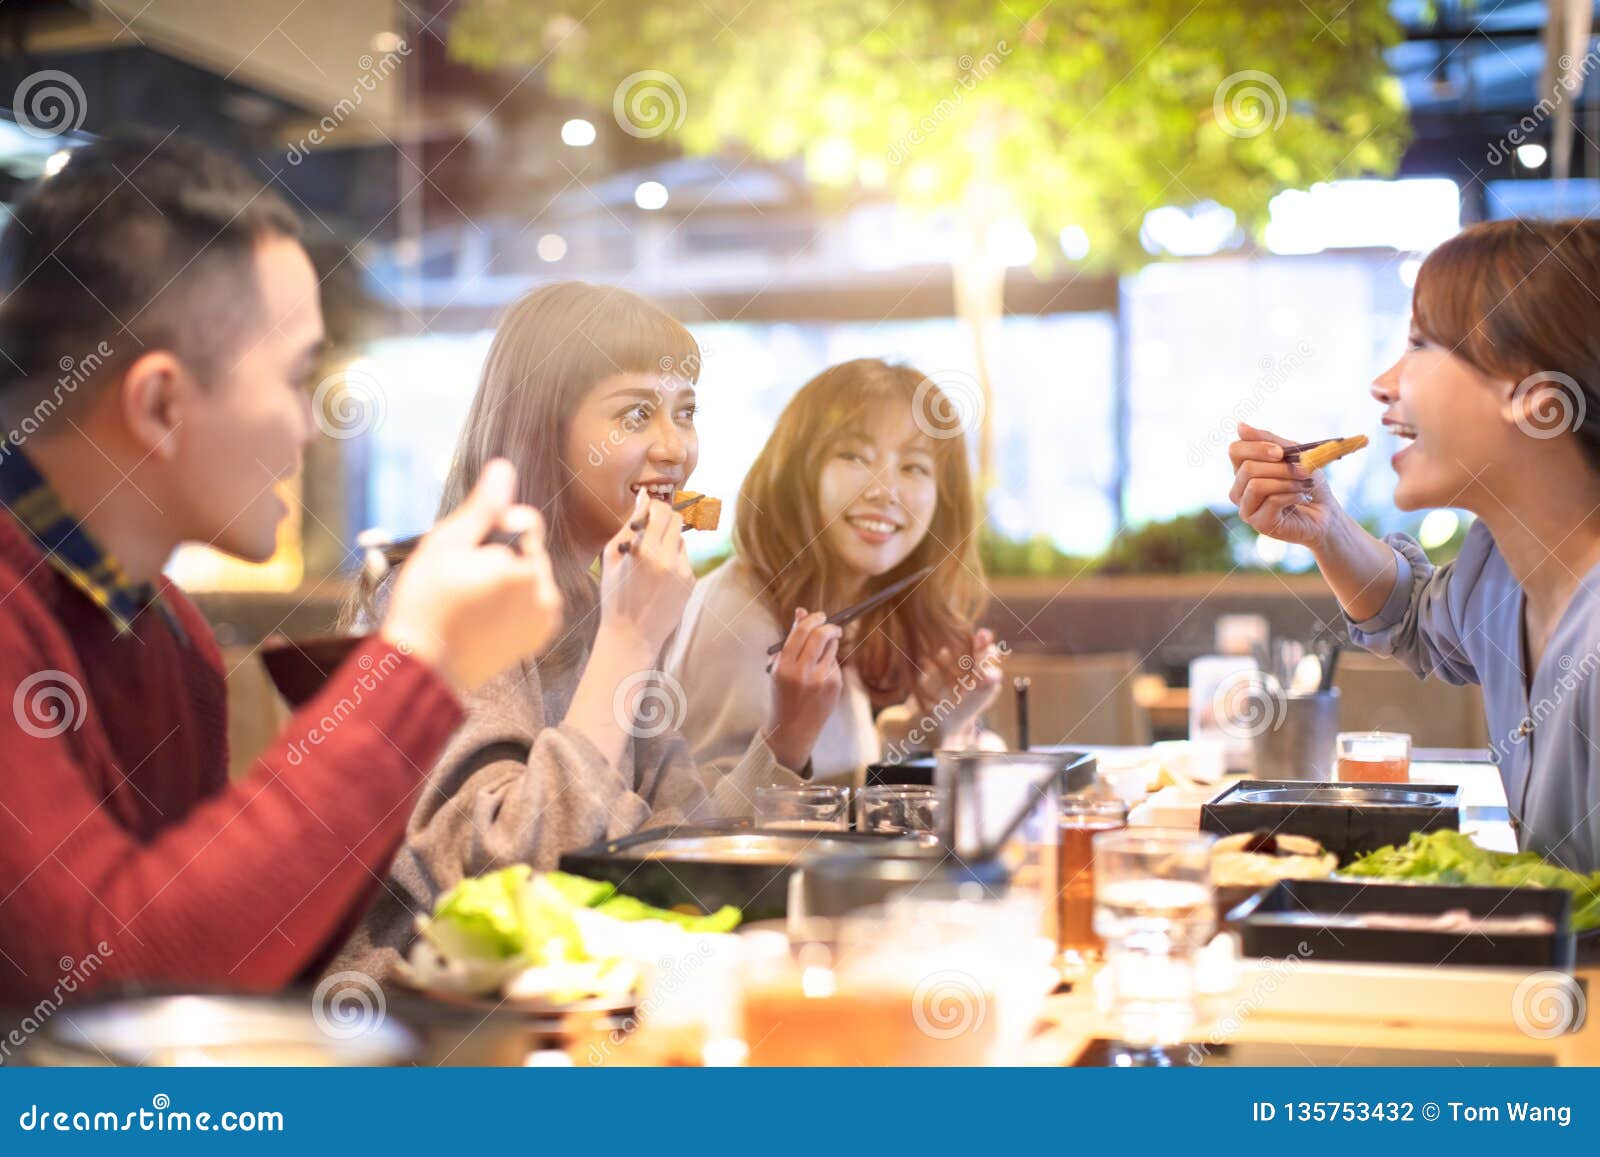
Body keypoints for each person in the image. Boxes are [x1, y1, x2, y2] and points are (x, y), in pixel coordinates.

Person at [0, 133, 562, 1006]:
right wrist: (418, 664)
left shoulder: (171, 632)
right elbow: (96, 986)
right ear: (160, 402)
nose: (309, 427)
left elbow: (228, 960)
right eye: (298, 378)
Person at [337, 282, 785, 981]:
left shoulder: (615, 596)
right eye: (637, 412)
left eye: (685, 412)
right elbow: (504, 883)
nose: (675, 447)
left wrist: (784, 742)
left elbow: (680, 848)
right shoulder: (448, 591)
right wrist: (628, 642)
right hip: (425, 1023)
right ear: (544, 426)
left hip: (581, 999)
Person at [1228, 217, 1600, 872]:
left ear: (1537, 396)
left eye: (1422, 343)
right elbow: (1412, 619)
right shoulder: (1499, 573)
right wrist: (1326, 526)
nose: (1384, 382)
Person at [666, 357, 1003, 791]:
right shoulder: (737, 615)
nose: (884, 490)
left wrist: (939, 718)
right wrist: (786, 740)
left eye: (914, 466)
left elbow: (844, 779)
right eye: (854, 456)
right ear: (796, 471)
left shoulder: (836, 605)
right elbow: (693, 827)